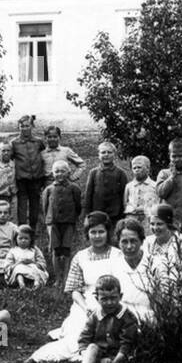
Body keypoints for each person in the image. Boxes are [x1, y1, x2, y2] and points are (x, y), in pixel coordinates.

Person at [31, 212, 124, 363]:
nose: (97, 236)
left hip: (112, 300)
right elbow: (75, 290)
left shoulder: (118, 255)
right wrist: (86, 307)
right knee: (79, 332)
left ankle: (99, 355)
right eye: (93, 232)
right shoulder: (80, 257)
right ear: (87, 234)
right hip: (87, 301)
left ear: (108, 233)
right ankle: (85, 354)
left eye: (101, 232)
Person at [52, 276, 139, 363]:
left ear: (120, 296)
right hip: (97, 354)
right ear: (97, 298)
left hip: (117, 356)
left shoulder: (127, 317)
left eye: (113, 298)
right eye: (104, 299)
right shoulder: (95, 316)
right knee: (92, 347)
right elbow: (85, 337)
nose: (109, 302)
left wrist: (117, 361)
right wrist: (85, 354)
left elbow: (127, 343)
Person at [41, 160, 82, 290]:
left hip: (68, 222)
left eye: (63, 171)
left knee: (66, 250)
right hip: (53, 222)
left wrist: (73, 218)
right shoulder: (48, 189)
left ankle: (66, 278)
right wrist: (49, 220)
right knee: (55, 250)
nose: (59, 174)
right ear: (52, 173)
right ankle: (58, 278)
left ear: (68, 172)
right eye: (56, 171)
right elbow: (45, 207)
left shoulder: (74, 188)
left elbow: (78, 206)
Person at [142, 203, 182, 293]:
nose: (155, 228)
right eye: (152, 224)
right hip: (152, 290)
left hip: (176, 290)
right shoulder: (147, 242)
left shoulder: (181, 242)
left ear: (168, 224)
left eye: (159, 224)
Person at [83, 141, 129, 236]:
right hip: (97, 212)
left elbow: (124, 195)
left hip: (115, 214)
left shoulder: (120, 173)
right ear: (98, 155)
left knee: (114, 237)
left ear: (114, 155)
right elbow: (88, 194)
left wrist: (124, 214)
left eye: (109, 152)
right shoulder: (93, 173)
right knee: (99, 235)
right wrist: (87, 214)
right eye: (103, 152)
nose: (106, 155)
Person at [114, 218, 155, 323]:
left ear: (141, 241)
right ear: (118, 242)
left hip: (149, 317)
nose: (129, 246)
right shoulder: (113, 265)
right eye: (124, 242)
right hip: (120, 318)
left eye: (133, 241)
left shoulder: (156, 263)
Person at [11, 116, 45, 231]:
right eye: (22, 126)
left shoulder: (38, 142)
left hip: (36, 178)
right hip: (21, 179)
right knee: (22, 205)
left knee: (35, 204)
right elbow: (10, 159)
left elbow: (43, 155)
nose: (24, 128)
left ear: (32, 126)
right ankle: (22, 229)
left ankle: (33, 228)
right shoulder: (14, 143)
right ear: (18, 127)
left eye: (27, 126)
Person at [122, 155, 160, 231]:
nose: (136, 170)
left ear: (148, 169)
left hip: (148, 220)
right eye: (134, 168)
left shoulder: (154, 186)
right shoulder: (129, 186)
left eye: (139, 167)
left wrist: (145, 209)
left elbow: (157, 203)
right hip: (132, 218)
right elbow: (125, 202)